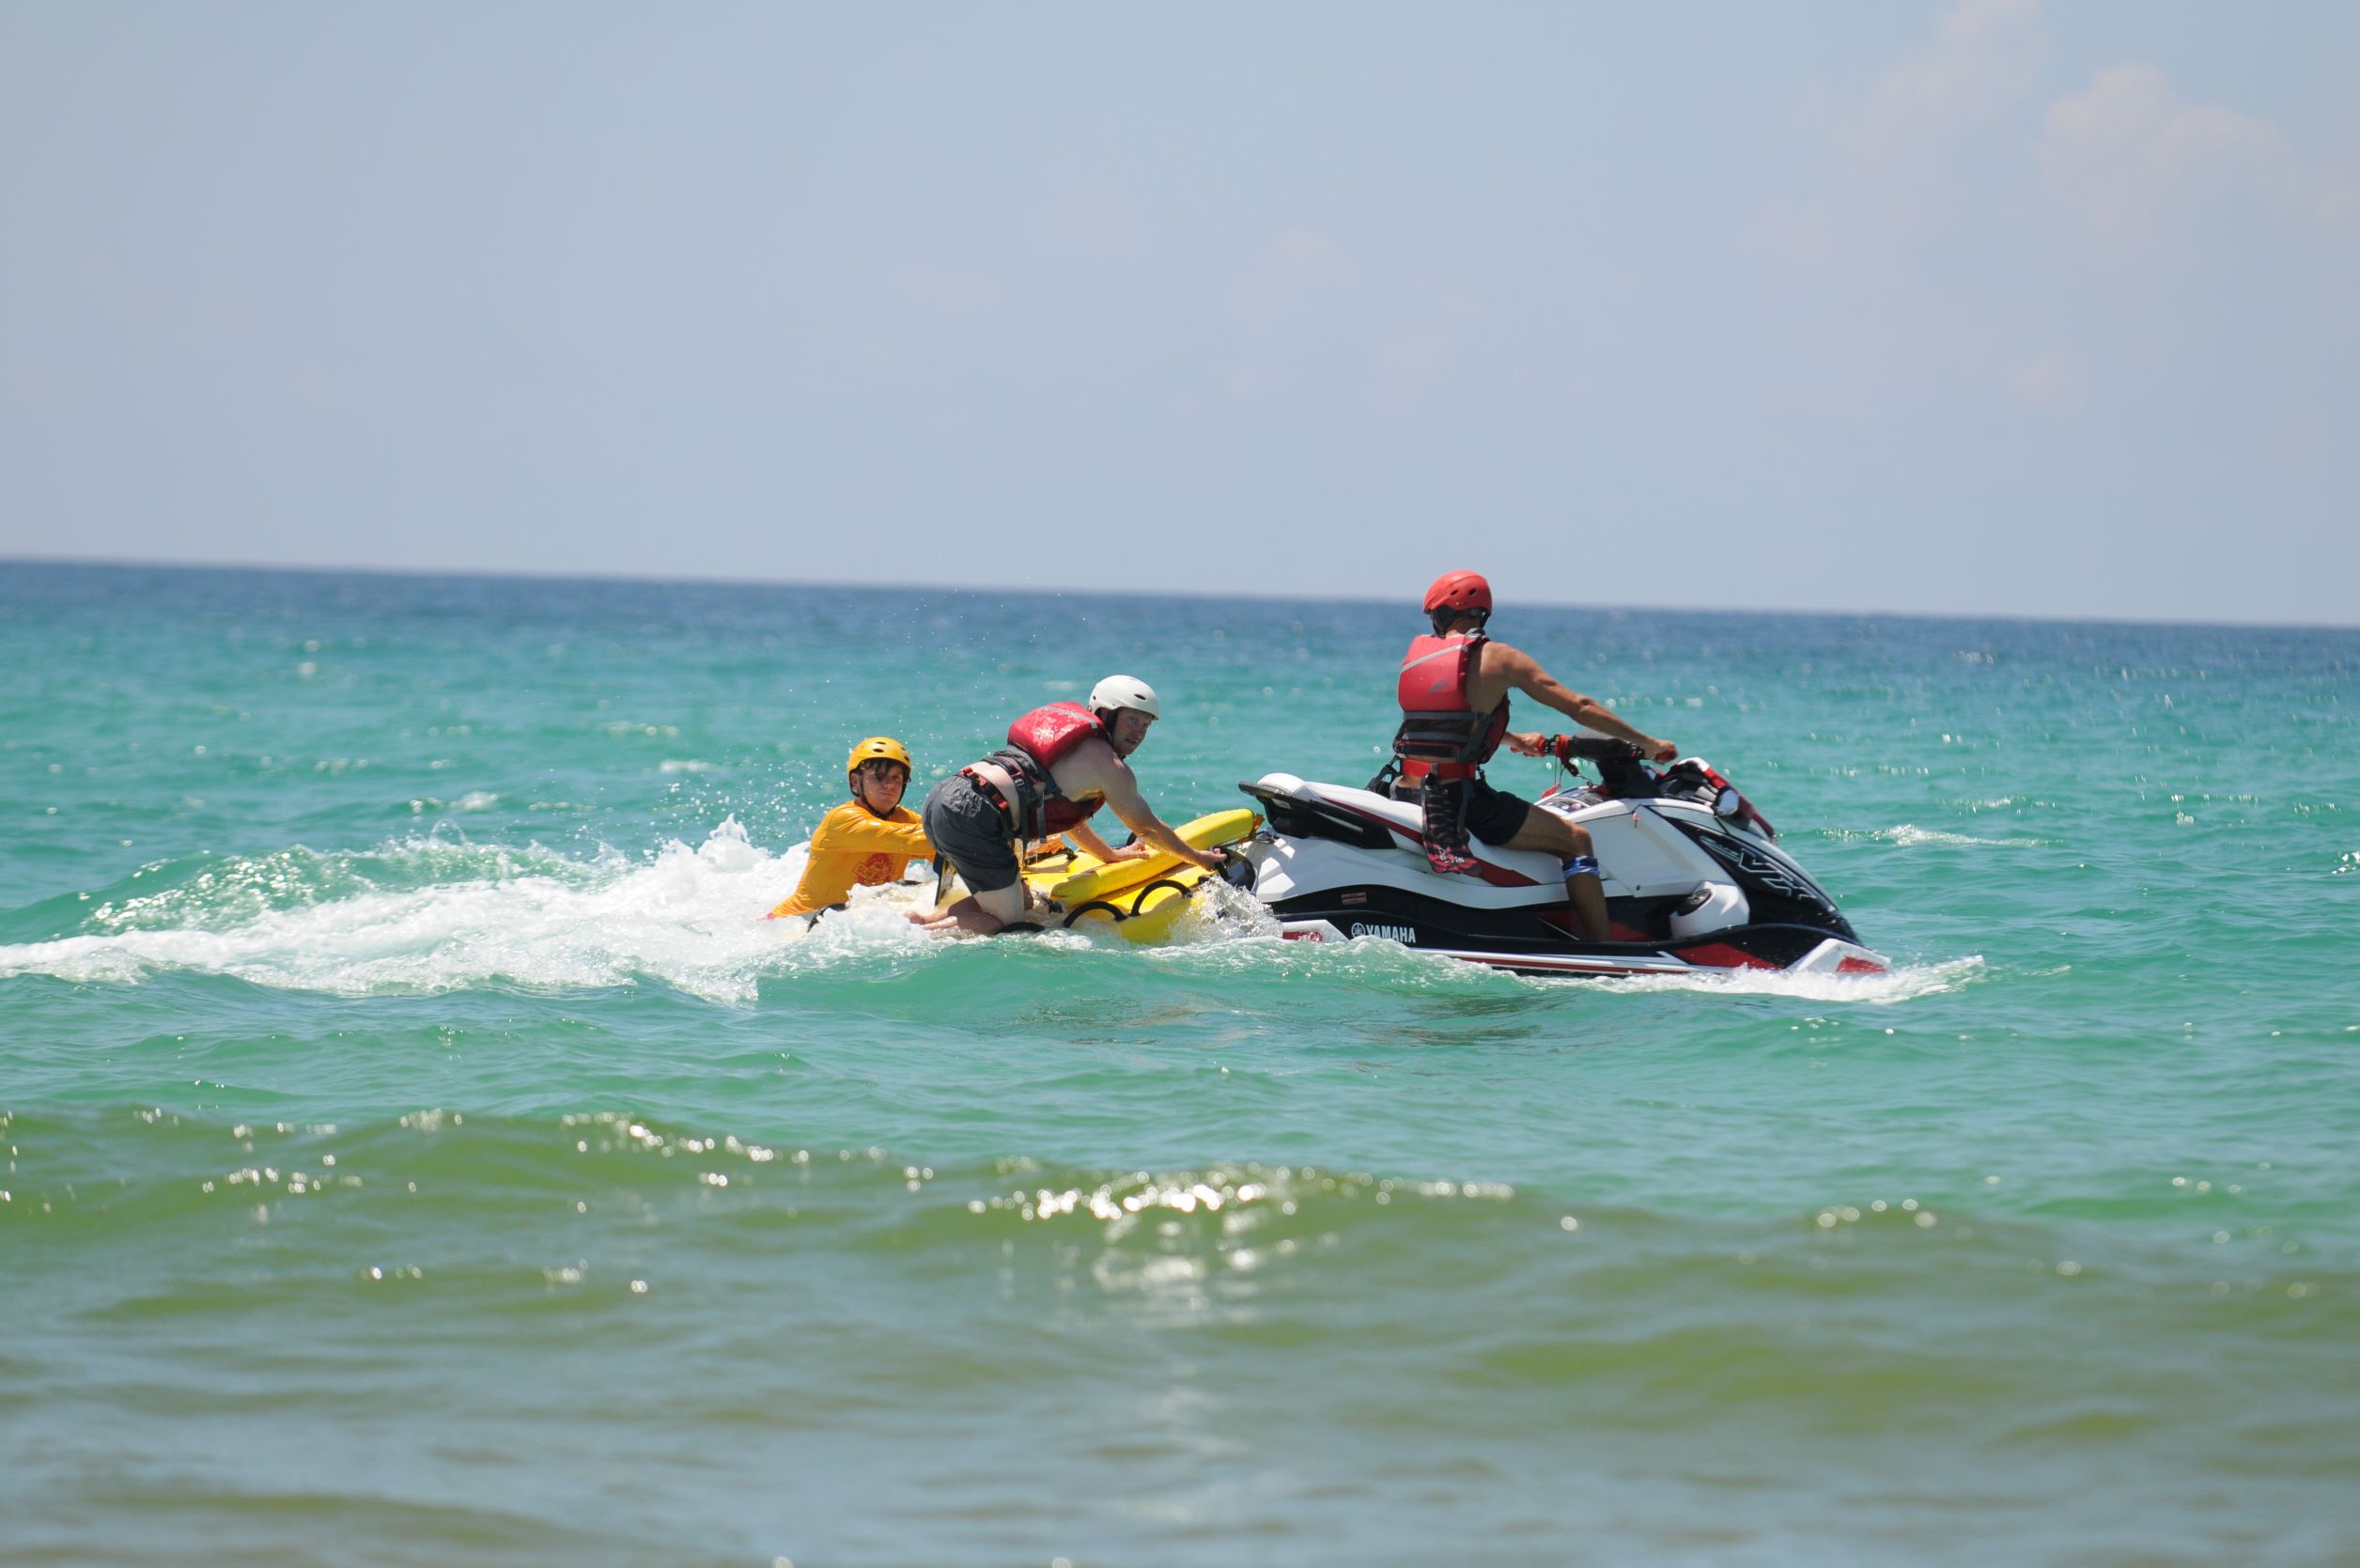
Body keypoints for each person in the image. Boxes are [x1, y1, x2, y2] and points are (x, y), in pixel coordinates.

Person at [1390, 570, 1676, 942]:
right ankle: (1601, 950)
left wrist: (1514, 739)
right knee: (1576, 840)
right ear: (1482, 614)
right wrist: (1649, 743)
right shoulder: (1500, 658)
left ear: (1441, 615)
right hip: (1458, 800)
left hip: (1403, 789)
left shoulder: (1419, 659)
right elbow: (1580, 706)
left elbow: (1445, 726)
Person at [916, 675, 1225, 936]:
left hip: (947, 797)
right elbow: (1147, 828)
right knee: (1012, 926)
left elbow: (1071, 819)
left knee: (1021, 901)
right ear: (1105, 714)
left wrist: (1110, 855)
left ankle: (921, 922)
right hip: (975, 814)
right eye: (1132, 719)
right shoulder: (1109, 766)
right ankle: (915, 938)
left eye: (1146, 725)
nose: (1139, 732)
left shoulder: (1078, 753)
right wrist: (1198, 857)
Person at [766, 737, 932, 923]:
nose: (890, 785)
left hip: (845, 919)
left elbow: (943, 845)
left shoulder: (905, 819)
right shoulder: (844, 820)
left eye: (896, 778)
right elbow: (916, 840)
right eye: (878, 777)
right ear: (855, 781)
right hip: (793, 923)